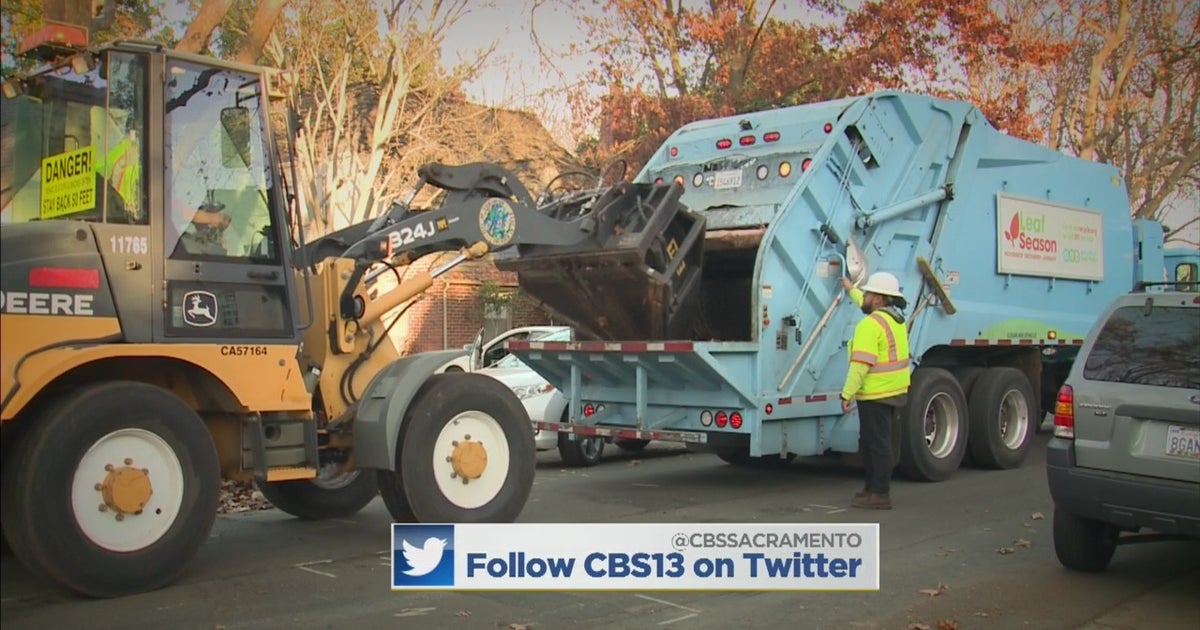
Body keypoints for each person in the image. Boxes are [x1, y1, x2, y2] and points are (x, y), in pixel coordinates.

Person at [839, 271, 911, 510]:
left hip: (876, 394)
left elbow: (860, 365)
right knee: (875, 442)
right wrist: (851, 289)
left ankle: (879, 493)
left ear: (879, 299)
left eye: (869, 293)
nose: (866, 296)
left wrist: (846, 394)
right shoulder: (894, 319)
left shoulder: (869, 325)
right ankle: (871, 489)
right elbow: (864, 303)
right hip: (893, 391)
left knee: (876, 445)